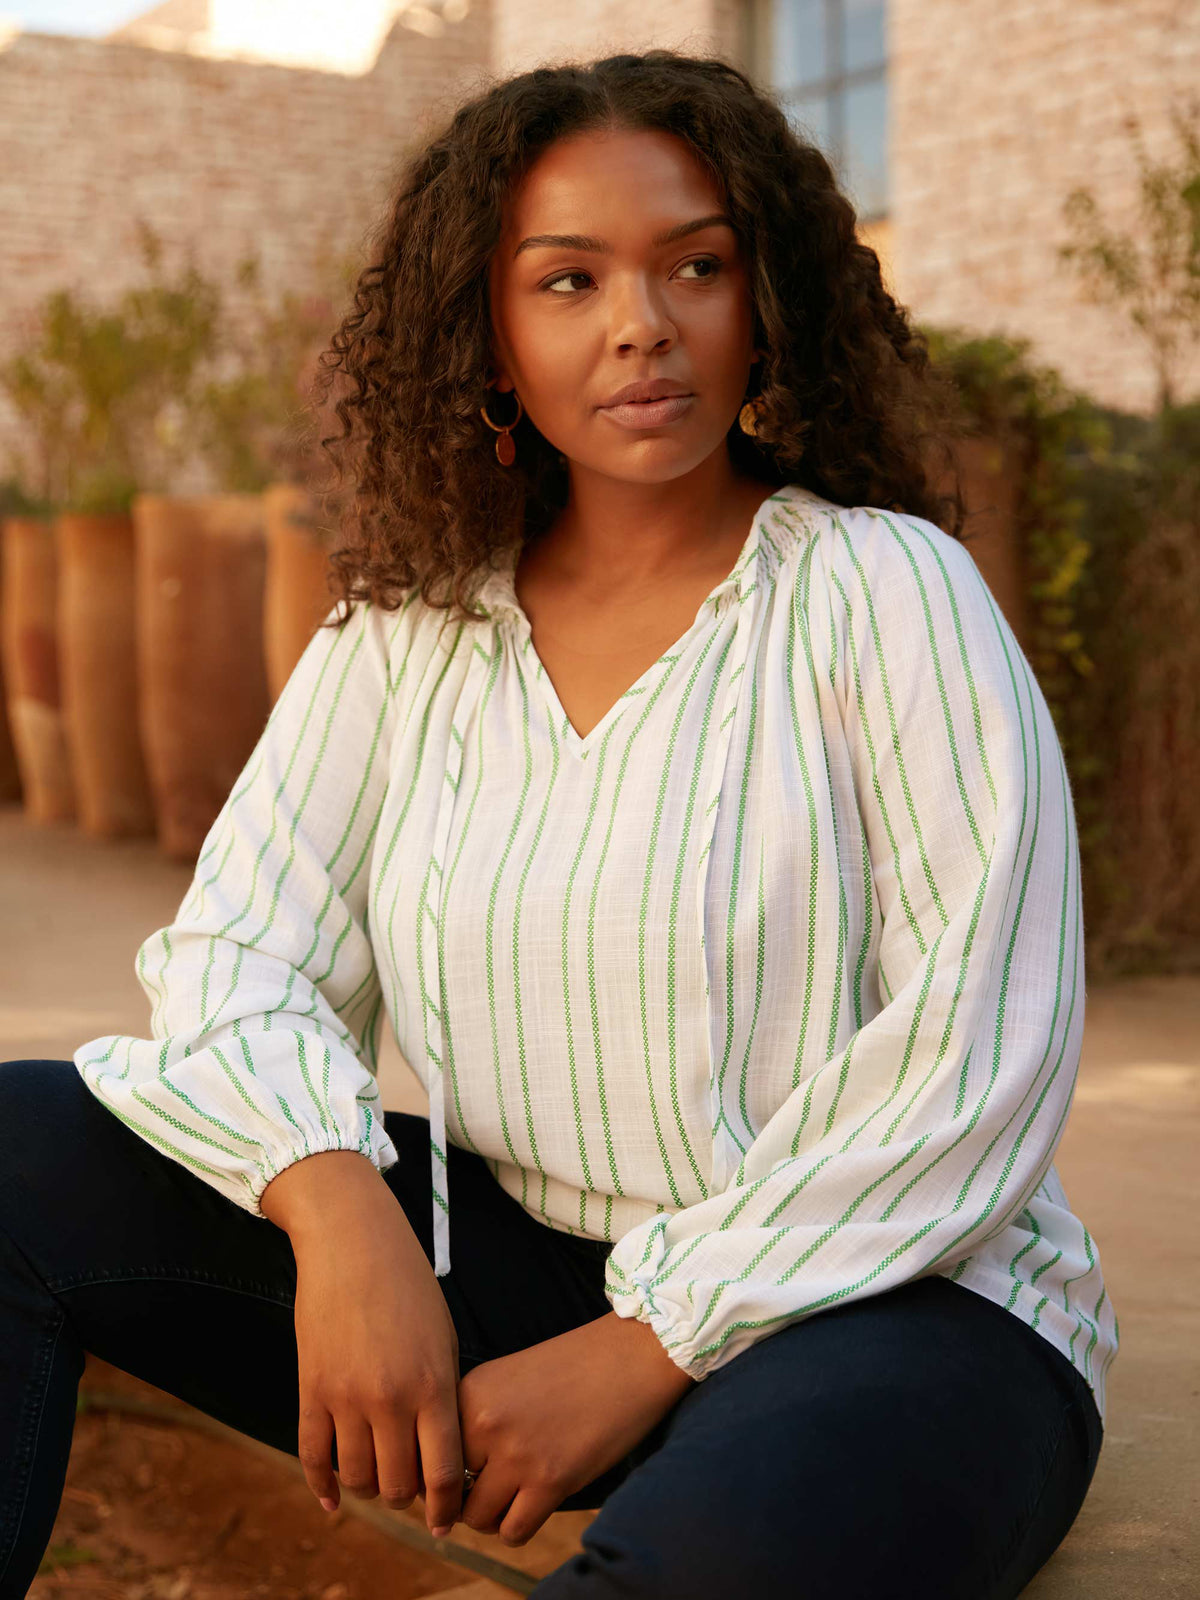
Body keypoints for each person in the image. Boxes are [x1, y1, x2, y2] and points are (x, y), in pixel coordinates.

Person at [0, 49, 1116, 1600]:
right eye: (569, 280)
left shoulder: (884, 592)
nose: (640, 322)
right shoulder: (411, 635)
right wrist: (336, 1210)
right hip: (514, 1262)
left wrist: (651, 1341)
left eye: (695, 266)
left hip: (892, 1304)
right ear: (490, 336)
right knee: (14, 1151)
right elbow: (236, 954)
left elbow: (976, 1064)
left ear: (761, 300)